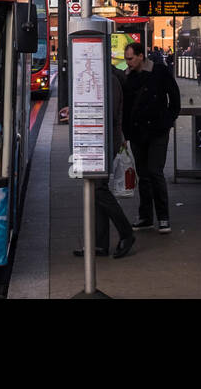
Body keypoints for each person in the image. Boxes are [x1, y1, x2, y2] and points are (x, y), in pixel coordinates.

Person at [71, 68, 136, 260]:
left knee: (98, 188)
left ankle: (126, 233)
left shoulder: (109, 80)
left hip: (105, 142)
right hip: (96, 140)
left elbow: (109, 115)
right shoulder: (103, 78)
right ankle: (99, 244)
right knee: (95, 189)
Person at [122, 41, 180, 233]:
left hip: (157, 131)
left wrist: (167, 121)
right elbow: (125, 107)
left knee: (155, 172)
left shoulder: (160, 72)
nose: (128, 62)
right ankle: (145, 217)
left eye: (130, 58)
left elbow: (175, 98)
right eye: (126, 59)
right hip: (137, 133)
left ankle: (163, 217)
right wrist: (125, 132)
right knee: (143, 176)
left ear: (140, 56)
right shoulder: (127, 77)